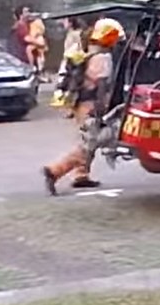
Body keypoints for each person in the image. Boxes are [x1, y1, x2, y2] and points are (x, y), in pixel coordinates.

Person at [43, 17, 124, 194]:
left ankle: (81, 175)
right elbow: (102, 85)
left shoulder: (87, 51)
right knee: (89, 144)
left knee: (88, 141)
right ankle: (54, 171)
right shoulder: (103, 57)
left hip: (80, 102)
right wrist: (102, 106)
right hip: (91, 104)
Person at [51, 17, 86, 111]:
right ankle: (69, 105)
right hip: (73, 59)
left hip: (72, 59)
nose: (63, 23)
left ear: (70, 23)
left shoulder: (75, 34)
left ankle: (69, 106)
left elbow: (75, 47)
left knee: (67, 83)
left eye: (65, 21)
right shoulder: (74, 33)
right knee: (70, 83)